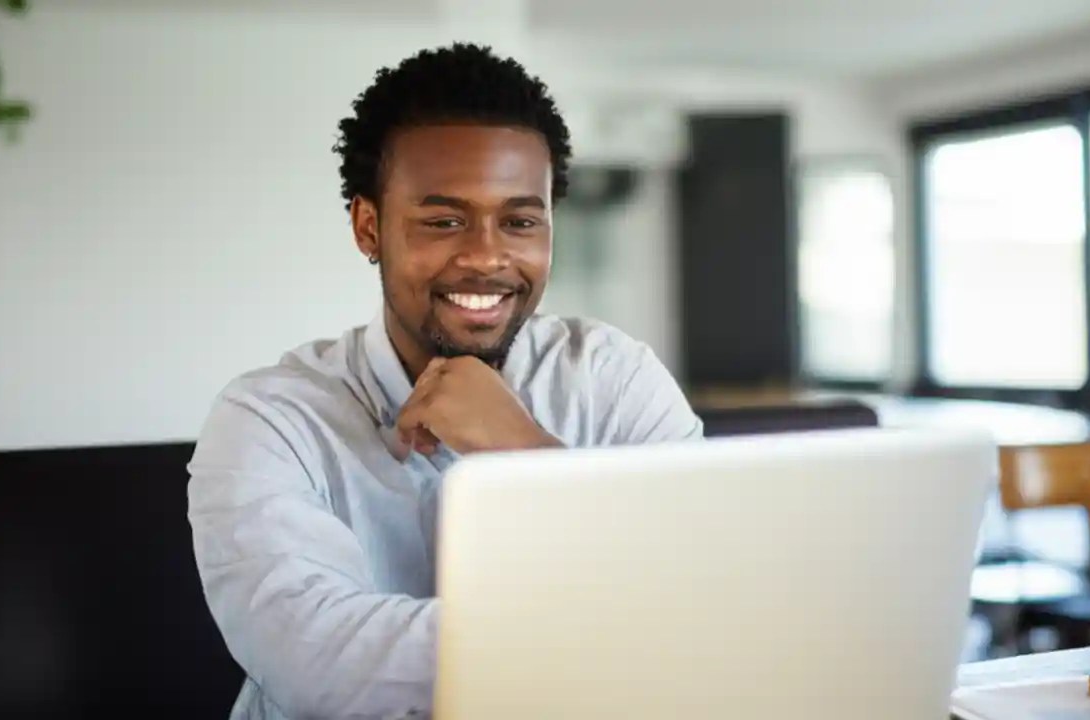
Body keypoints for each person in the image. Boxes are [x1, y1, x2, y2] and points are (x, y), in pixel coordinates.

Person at [186, 43, 703, 720]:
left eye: (519, 221)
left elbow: (705, 591)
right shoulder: (268, 421)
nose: (487, 256)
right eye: (443, 221)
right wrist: (620, 629)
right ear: (369, 228)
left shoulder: (613, 377)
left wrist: (524, 451)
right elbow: (328, 672)